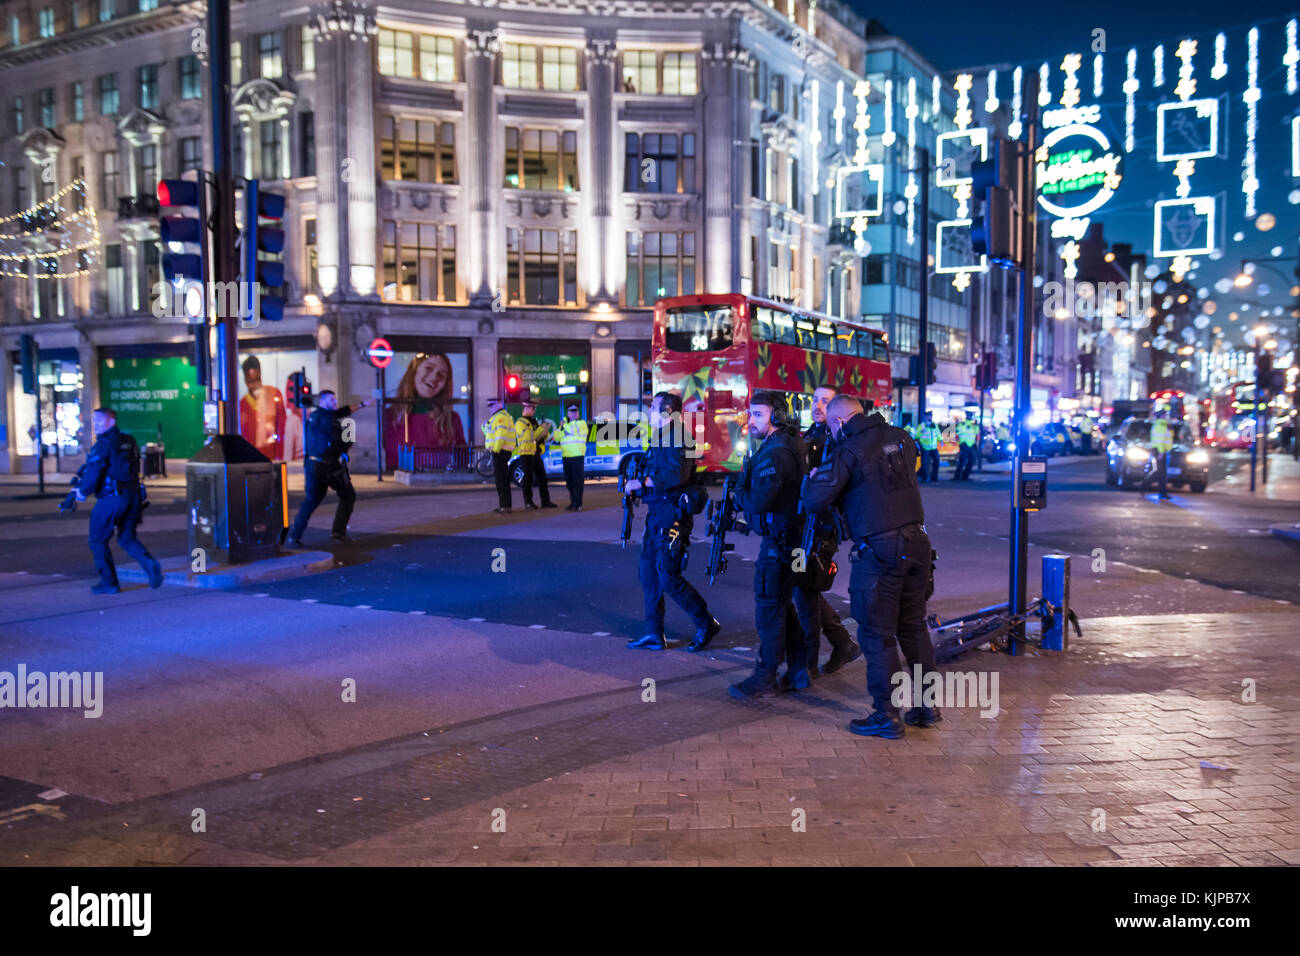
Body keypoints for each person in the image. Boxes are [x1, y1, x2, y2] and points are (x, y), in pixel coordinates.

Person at [803, 394, 940, 738]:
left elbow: (815, 499)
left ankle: (886, 714)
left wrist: (816, 477)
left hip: (880, 550)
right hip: (919, 544)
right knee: (913, 628)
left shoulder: (847, 450)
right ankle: (927, 707)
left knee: (877, 634)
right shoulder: (902, 437)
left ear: (838, 423)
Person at [624, 391, 720, 652]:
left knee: (668, 576)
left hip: (672, 518)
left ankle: (706, 623)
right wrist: (638, 487)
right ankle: (654, 633)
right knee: (648, 574)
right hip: (657, 514)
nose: (650, 412)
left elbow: (675, 474)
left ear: (666, 412)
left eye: (653, 408)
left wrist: (642, 482)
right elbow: (655, 473)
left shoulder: (678, 435)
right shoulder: (662, 437)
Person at [729, 391, 809, 698]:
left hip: (780, 541)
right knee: (783, 604)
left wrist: (739, 495)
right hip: (795, 538)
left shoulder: (775, 453)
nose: (751, 421)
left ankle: (766, 673)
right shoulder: (793, 444)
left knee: (768, 606)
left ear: (776, 416)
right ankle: (799, 668)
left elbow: (760, 501)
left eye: (758, 415)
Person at [794, 385, 861, 678]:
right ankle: (842, 643)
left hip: (822, 527)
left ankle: (805, 667)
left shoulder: (839, 440)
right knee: (804, 589)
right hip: (803, 523)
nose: (818, 405)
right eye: (815, 399)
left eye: (826, 400)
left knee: (805, 590)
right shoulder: (808, 435)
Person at [80, 408, 163, 594]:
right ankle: (150, 565)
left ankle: (109, 582)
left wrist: (82, 492)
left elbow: (94, 472)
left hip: (112, 499)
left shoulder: (103, 444)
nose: (96, 425)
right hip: (133, 497)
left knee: (97, 540)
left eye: (99, 421)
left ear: (111, 422)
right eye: (94, 421)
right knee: (126, 537)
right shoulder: (129, 440)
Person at [286, 390, 371, 547]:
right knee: (348, 495)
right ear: (322, 401)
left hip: (311, 465)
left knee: (311, 500)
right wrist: (347, 444)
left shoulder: (315, 416)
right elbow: (340, 440)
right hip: (328, 466)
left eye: (334, 399)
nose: (334, 402)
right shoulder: (329, 420)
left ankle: (294, 535)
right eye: (331, 400)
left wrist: (362, 404)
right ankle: (338, 533)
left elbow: (340, 412)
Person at [385, 352, 467, 465]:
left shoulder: (452, 419)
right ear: (414, 372)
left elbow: (462, 457)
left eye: (442, 374)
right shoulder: (388, 416)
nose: (434, 377)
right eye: (429, 368)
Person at [239, 355, 286, 460]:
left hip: (271, 454)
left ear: (260, 374)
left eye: (255, 379)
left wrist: (279, 455)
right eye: (249, 380)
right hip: (249, 457)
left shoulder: (274, 394)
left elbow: (281, 428)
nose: (252, 384)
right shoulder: (242, 404)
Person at [515, 400, 556, 509]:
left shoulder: (533, 421)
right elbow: (530, 436)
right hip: (526, 453)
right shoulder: (520, 423)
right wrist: (541, 429)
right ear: (526, 408)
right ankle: (528, 502)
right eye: (533, 409)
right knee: (528, 479)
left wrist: (545, 430)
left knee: (542, 477)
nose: (534, 411)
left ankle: (545, 501)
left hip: (536, 452)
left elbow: (542, 437)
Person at [482, 398, 515, 514]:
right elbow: (493, 434)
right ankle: (504, 505)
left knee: (501, 480)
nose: (490, 408)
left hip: (500, 451)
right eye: (490, 406)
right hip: (500, 450)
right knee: (502, 479)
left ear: (499, 404)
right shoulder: (497, 417)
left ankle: (505, 506)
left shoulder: (500, 417)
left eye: (492, 405)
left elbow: (500, 435)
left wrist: (495, 450)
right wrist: (485, 428)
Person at [557, 402, 588, 510]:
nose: (574, 414)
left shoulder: (581, 423)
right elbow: (556, 437)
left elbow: (572, 430)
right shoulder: (564, 426)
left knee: (577, 481)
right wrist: (561, 427)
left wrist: (564, 424)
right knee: (569, 481)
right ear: (568, 413)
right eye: (571, 412)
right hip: (566, 456)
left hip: (577, 456)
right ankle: (573, 501)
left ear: (578, 413)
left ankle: (578, 503)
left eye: (575, 412)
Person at [1149, 411, 1173, 500]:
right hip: (1160, 451)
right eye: (1164, 415)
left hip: (1160, 451)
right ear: (1161, 416)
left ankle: (1162, 492)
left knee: (1161, 473)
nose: (1166, 416)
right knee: (1161, 474)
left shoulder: (1161, 425)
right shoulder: (1161, 426)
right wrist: (1161, 452)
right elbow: (1160, 441)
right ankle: (1161, 492)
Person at [915, 411, 941, 482]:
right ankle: (925, 478)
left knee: (937, 460)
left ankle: (934, 477)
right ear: (926, 416)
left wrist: (941, 440)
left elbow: (938, 434)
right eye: (929, 416)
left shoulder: (934, 425)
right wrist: (921, 433)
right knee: (925, 463)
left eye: (931, 416)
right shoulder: (922, 426)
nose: (930, 417)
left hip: (933, 447)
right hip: (925, 447)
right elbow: (916, 436)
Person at [955, 413, 978, 480]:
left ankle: (965, 476)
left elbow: (976, 433)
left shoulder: (973, 425)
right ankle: (957, 477)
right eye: (969, 415)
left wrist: (976, 425)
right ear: (966, 416)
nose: (970, 417)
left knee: (972, 460)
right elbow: (957, 432)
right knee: (962, 461)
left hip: (971, 445)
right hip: (964, 444)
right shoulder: (962, 424)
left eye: (971, 416)